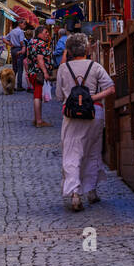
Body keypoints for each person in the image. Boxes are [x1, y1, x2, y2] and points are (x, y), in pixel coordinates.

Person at [56, 32, 115, 211]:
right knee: (93, 152)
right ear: (87, 49)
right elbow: (111, 89)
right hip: (94, 113)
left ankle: (75, 193)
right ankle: (92, 191)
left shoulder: (63, 69)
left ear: (70, 51)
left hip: (72, 116)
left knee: (72, 153)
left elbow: (59, 96)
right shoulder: (95, 66)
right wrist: (92, 98)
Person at [25, 26, 54, 127]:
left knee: (37, 94)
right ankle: (39, 121)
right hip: (39, 73)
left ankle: (37, 119)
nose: (47, 34)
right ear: (39, 33)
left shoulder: (31, 42)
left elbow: (28, 57)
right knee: (37, 95)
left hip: (32, 72)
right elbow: (40, 58)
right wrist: (45, 72)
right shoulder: (41, 44)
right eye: (46, 32)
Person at [7, 21, 28, 91]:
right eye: (24, 24)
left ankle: (11, 85)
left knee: (14, 68)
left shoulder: (12, 31)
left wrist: (10, 44)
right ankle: (19, 86)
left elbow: (4, 39)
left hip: (13, 50)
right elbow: (22, 41)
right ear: (20, 24)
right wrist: (23, 47)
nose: (25, 26)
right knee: (20, 69)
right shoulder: (21, 32)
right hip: (19, 49)